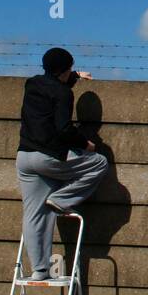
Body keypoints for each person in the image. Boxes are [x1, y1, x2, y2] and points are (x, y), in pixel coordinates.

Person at [16, 47, 110, 281]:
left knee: (33, 214)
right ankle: (61, 199)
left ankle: (39, 270)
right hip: (49, 156)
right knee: (99, 163)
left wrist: (75, 76)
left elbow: (52, 89)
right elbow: (63, 128)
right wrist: (86, 144)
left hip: (24, 157)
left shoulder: (32, 84)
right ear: (64, 70)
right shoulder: (64, 94)